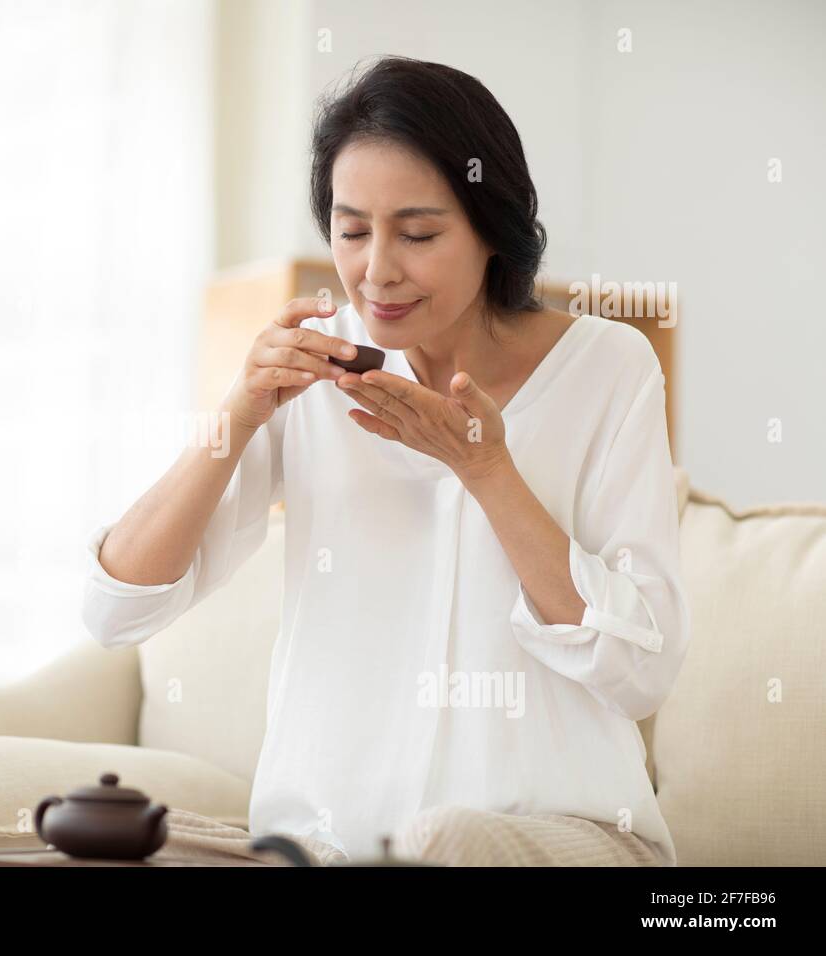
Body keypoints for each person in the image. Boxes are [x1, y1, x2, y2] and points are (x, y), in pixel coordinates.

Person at [80, 55, 689, 866]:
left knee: (453, 849)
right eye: (352, 230)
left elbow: (640, 669)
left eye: (419, 233)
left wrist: (488, 474)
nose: (377, 271)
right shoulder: (318, 376)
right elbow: (115, 611)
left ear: (491, 230)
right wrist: (237, 412)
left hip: (565, 835)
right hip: (325, 846)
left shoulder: (608, 368)